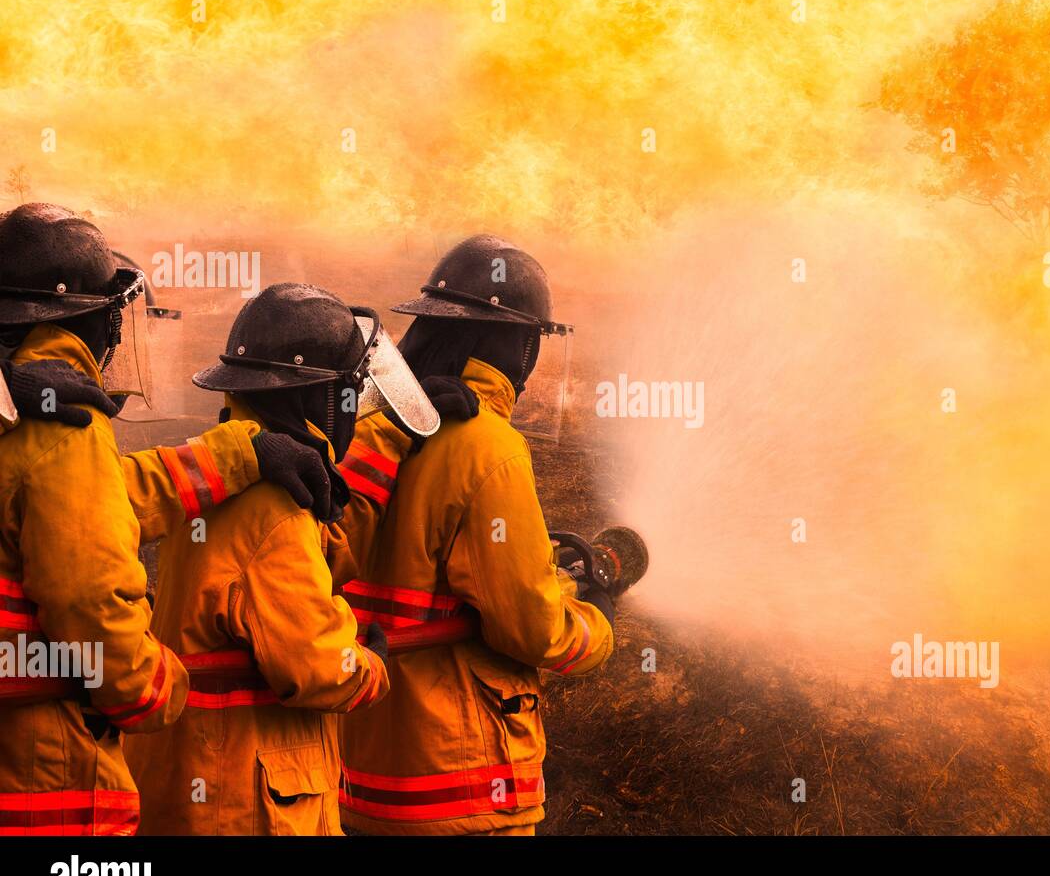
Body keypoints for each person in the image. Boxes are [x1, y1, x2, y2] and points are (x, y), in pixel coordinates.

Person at [0, 205, 327, 835]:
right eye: (111, 320)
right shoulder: (63, 419)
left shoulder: (18, 404)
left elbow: (99, 499)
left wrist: (241, 452)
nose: (116, 341)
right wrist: (152, 686)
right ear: (88, 316)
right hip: (45, 774)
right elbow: (87, 592)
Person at [123, 282, 438, 834]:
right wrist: (368, 664)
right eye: (347, 395)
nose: (351, 408)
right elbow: (315, 667)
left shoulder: (219, 484)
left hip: (188, 779)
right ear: (315, 398)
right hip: (246, 801)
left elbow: (288, 576)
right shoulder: (276, 508)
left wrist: (386, 439)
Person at [339, 235, 614, 836]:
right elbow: (529, 627)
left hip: (354, 770)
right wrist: (593, 622)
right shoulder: (488, 447)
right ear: (519, 345)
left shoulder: (367, 423)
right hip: (459, 786)